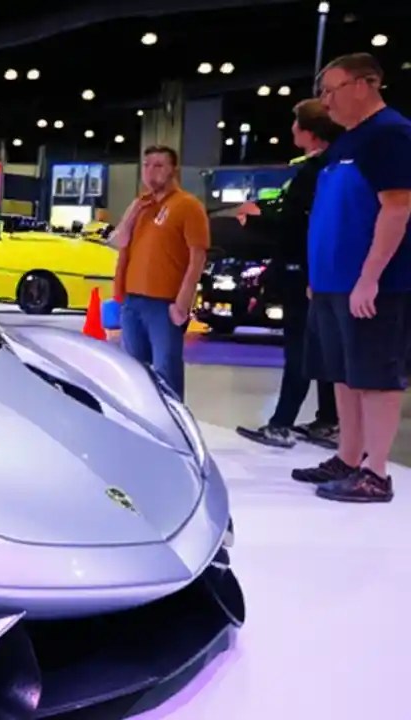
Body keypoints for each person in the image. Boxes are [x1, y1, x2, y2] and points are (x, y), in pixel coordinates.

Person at [293, 53, 411, 503]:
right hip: (331, 281)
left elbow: (397, 207)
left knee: (375, 375)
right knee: (342, 372)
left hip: (373, 284)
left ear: (366, 84)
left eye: (331, 90)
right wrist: (318, 275)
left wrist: (370, 277)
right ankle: (348, 455)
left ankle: (375, 472)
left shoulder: (390, 135)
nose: (325, 101)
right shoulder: (346, 143)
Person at [235, 99, 343, 449]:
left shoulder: (315, 172)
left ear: (309, 132)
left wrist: (254, 218)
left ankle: (281, 423)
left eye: (295, 124)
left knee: (300, 348)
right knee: (322, 348)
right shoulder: (330, 166)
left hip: (303, 272)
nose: (291, 130)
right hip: (318, 271)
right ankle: (327, 420)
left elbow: (296, 223)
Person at [111, 145, 210, 399]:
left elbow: (197, 256)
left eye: (158, 166)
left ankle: (172, 428)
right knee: (134, 373)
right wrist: (133, 211)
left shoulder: (188, 206)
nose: (150, 172)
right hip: (132, 301)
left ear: (172, 170)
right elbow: (119, 240)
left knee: (166, 374)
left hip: (164, 304)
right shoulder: (142, 207)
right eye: (146, 166)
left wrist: (183, 301)